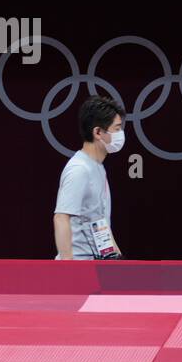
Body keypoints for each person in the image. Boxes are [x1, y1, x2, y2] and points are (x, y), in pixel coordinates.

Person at [53, 95, 125, 260]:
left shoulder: (98, 167)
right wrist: (67, 267)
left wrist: (118, 259)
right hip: (79, 264)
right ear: (98, 132)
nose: (121, 134)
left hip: (98, 263)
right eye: (117, 128)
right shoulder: (79, 169)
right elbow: (61, 217)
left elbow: (100, 221)